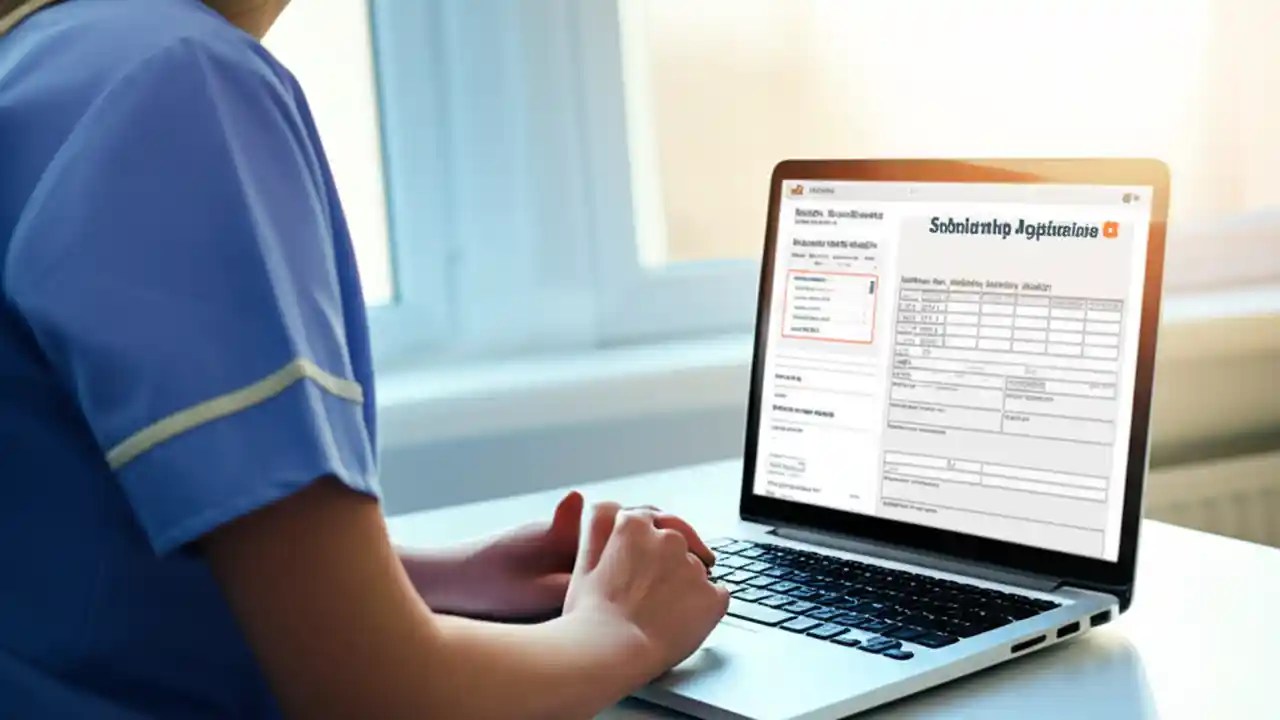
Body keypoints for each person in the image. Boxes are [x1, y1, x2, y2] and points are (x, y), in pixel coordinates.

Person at [0, 0, 729, 717]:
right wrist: (622, 627)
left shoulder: (45, 56)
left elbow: (72, 555)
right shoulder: (175, 80)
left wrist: (438, 577)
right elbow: (376, 696)